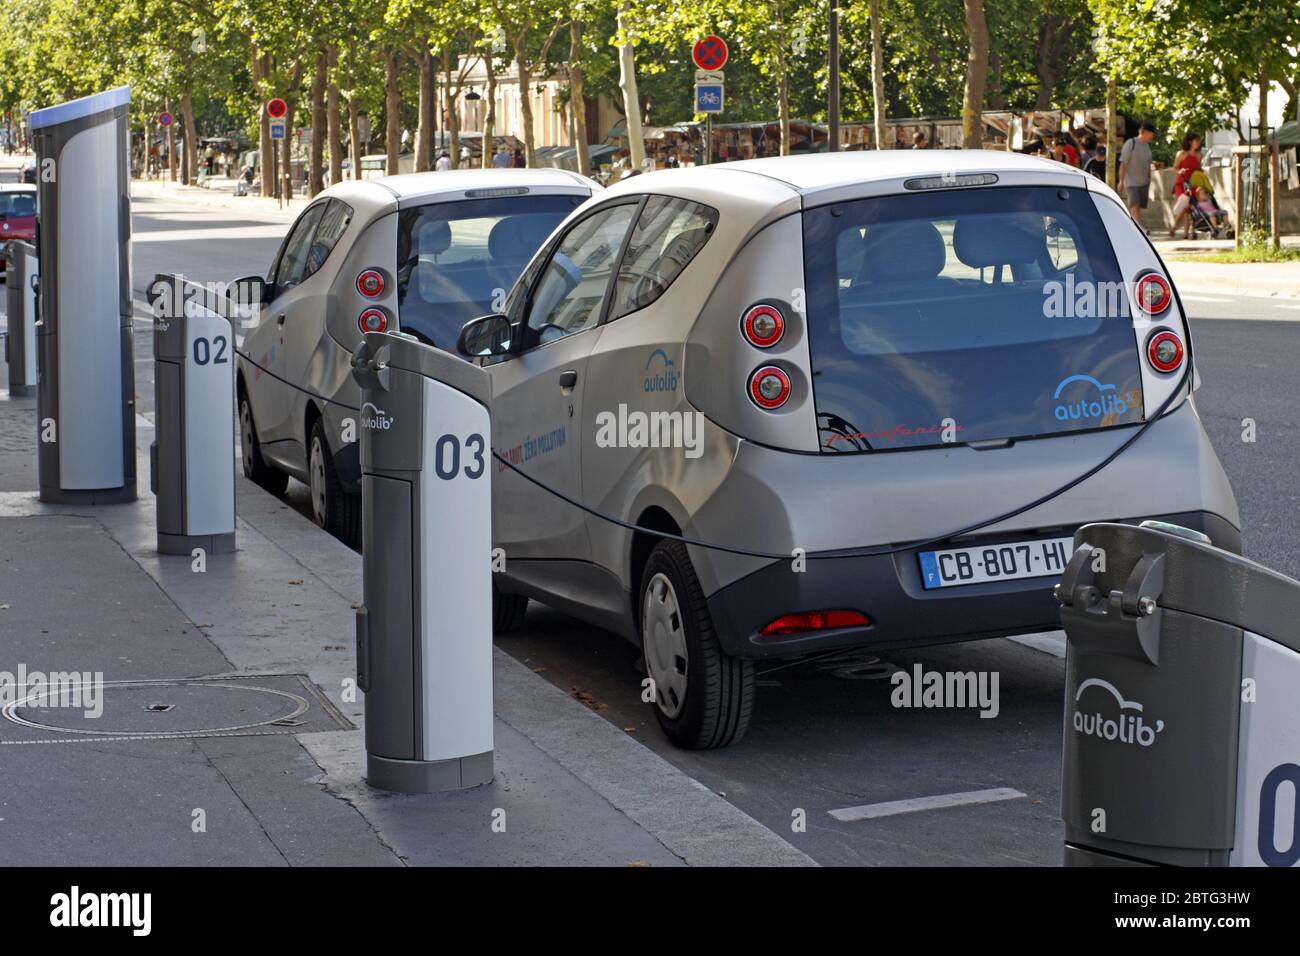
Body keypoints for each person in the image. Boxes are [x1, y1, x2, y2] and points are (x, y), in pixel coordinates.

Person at [1118, 123, 1156, 225]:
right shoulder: (1131, 144)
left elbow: (1148, 163)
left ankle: (1135, 225)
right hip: (1131, 182)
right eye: (1152, 134)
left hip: (1144, 181)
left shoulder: (1147, 146)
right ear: (1145, 132)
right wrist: (1121, 181)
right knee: (1134, 204)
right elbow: (1123, 163)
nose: (1153, 136)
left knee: (1139, 206)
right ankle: (1138, 228)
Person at [1169, 133, 1202, 238]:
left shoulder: (1199, 155)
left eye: (1199, 141)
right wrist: (1179, 171)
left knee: (1189, 209)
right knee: (1185, 206)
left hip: (1193, 185)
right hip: (1181, 184)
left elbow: (1198, 169)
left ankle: (1185, 233)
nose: (1198, 143)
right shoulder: (1181, 154)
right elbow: (1174, 168)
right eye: (1196, 141)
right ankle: (1176, 228)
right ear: (1190, 142)